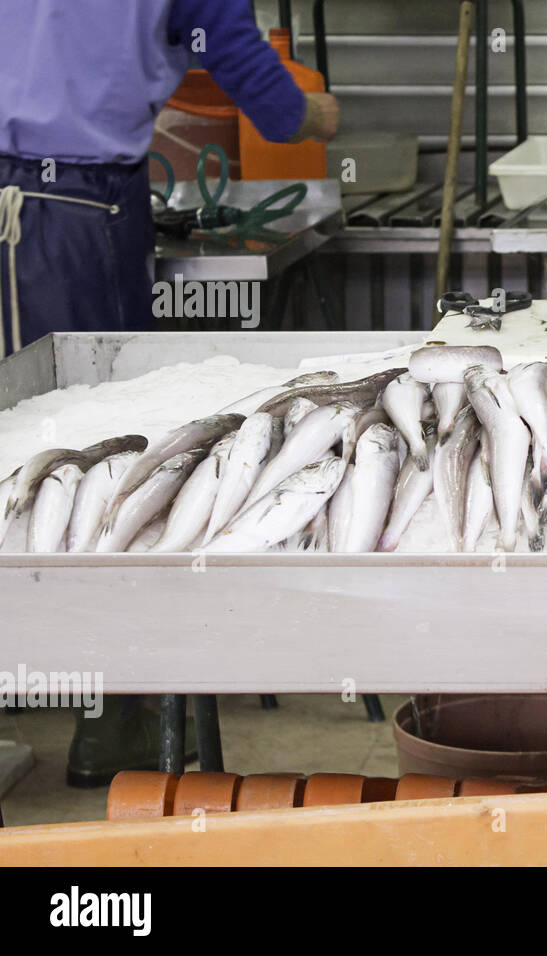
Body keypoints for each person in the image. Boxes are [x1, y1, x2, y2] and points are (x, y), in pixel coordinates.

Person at [0, 0, 339, 786]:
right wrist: (322, 114)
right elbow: (275, 107)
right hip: (77, 219)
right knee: (107, 448)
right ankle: (114, 718)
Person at [0, 0, 340, 358]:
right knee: (95, 389)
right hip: (75, 212)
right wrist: (311, 114)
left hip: (43, 199)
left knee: (23, 399)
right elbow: (235, 54)